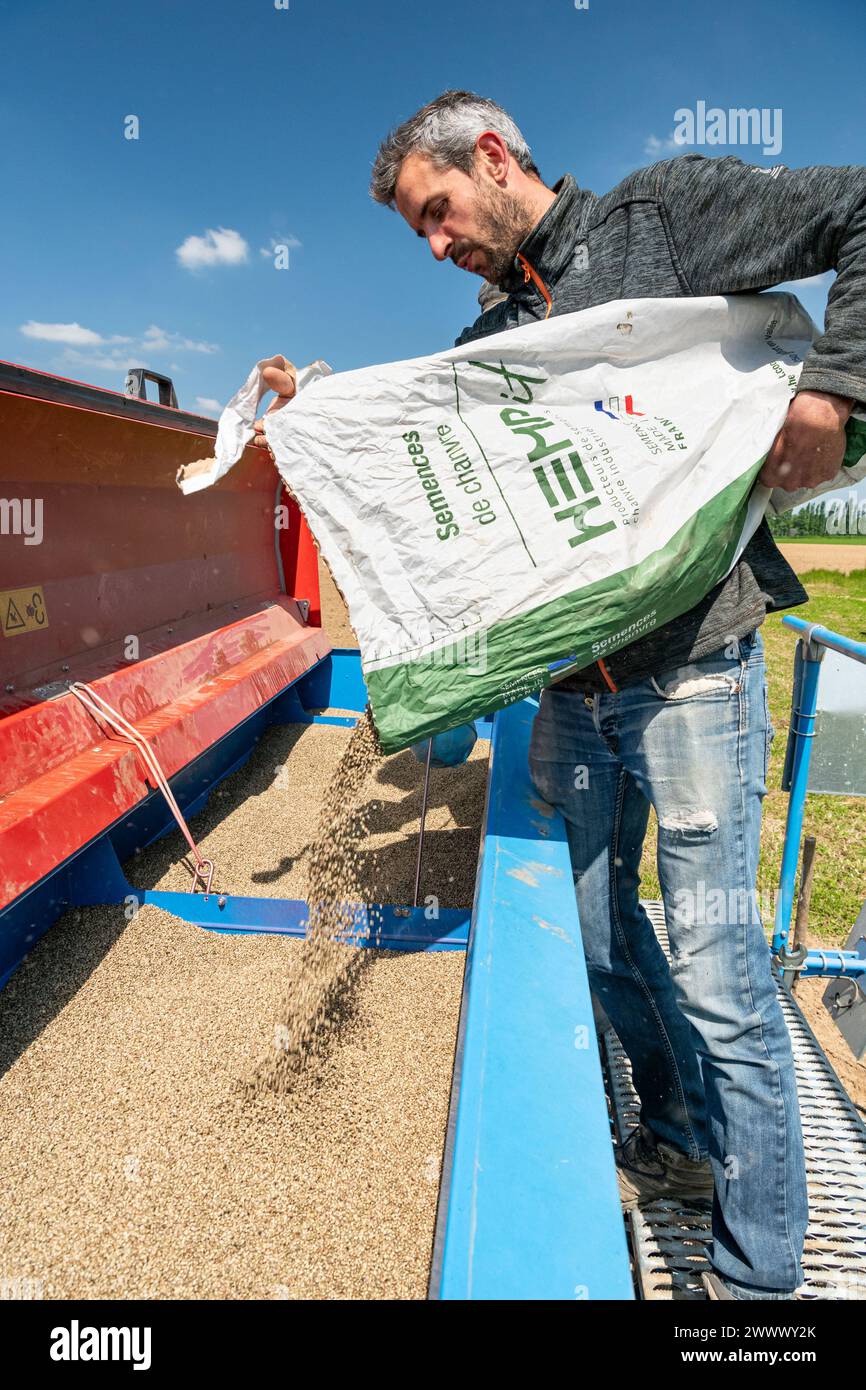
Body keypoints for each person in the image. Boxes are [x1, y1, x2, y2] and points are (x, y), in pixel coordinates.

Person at [369, 89, 866, 1301]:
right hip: (568, 694)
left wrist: (833, 390)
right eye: (418, 236)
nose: (438, 245)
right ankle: (682, 1144)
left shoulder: (663, 218)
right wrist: (319, 407)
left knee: (713, 967)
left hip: (693, 668)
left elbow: (858, 208)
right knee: (592, 940)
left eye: (438, 213)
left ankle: (753, 1291)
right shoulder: (485, 345)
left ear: (492, 156)